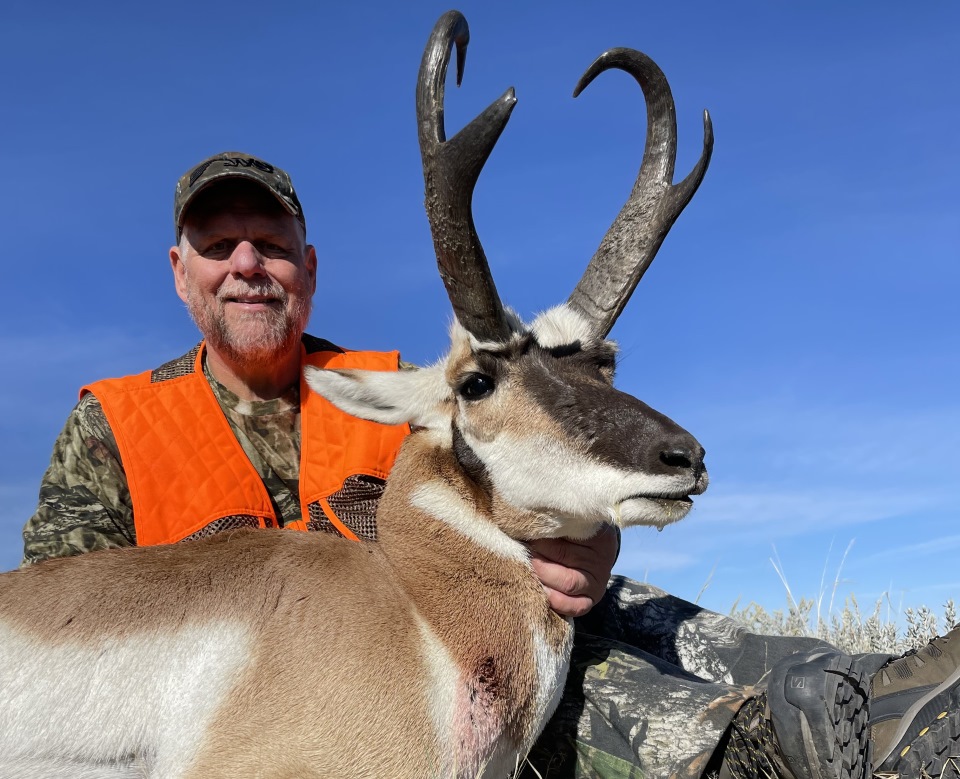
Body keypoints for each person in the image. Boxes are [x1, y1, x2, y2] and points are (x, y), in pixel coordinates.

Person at [22, 152, 960, 779]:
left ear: (308, 265)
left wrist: (587, 544)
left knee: (584, 599)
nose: (246, 264)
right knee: (533, 670)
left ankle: (878, 684)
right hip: (249, 662)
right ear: (179, 270)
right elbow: (68, 584)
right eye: (218, 247)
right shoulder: (115, 423)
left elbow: (522, 478)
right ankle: (760, 742)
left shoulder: (405, 389)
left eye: (269, 245)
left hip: (408, 631)